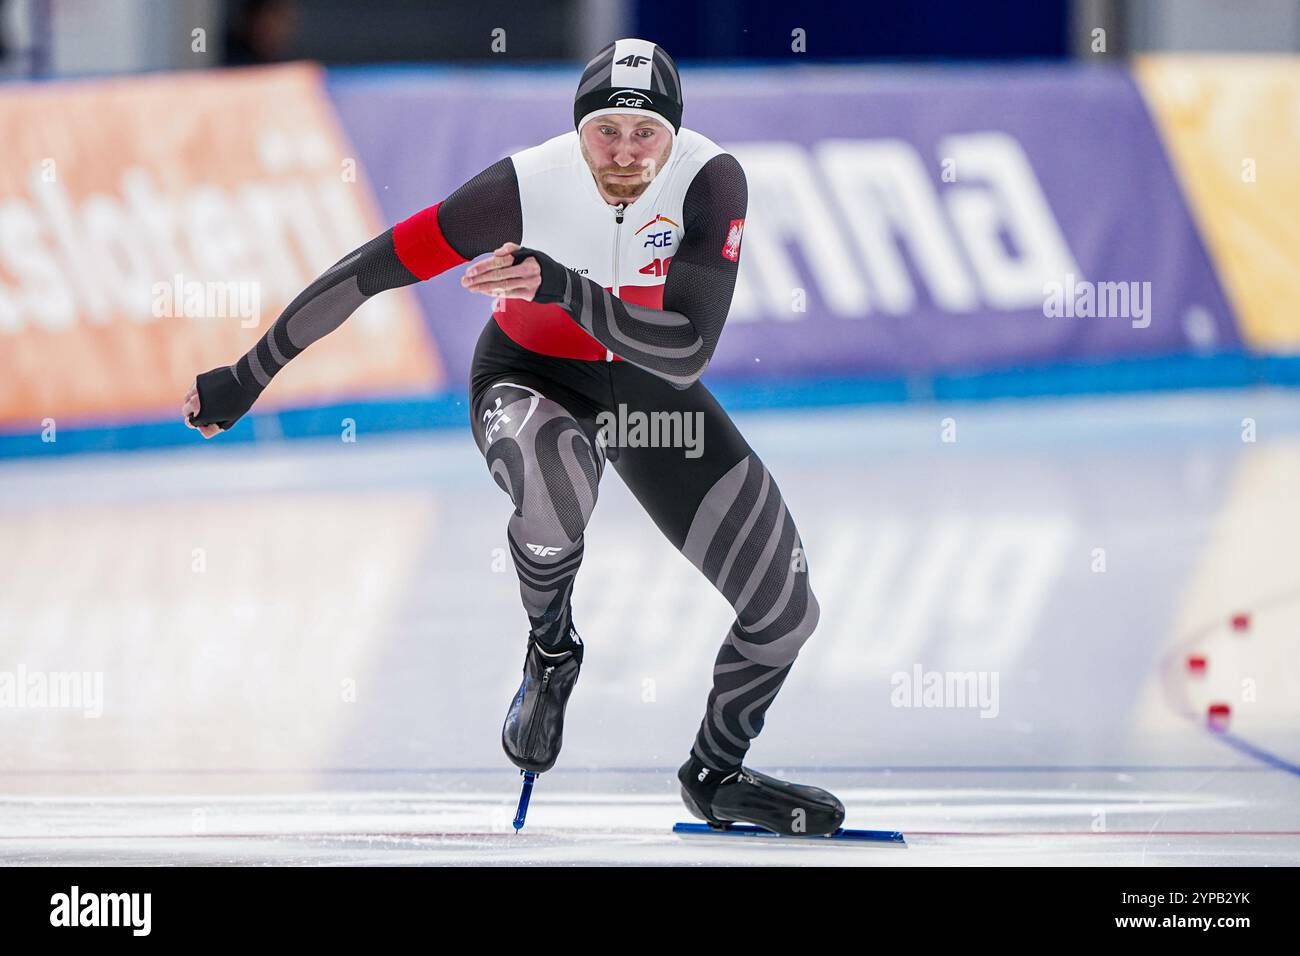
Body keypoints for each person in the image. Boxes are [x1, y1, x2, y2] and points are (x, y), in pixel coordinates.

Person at [183, 38, 844, 836]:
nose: (626, 154)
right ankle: (554, 652)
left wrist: (561, 283)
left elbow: (688, 348)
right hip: (531, 376)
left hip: (648, 393)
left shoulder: (711, 180)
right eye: (607, 132)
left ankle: (716, 773)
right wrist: (249, 374)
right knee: (558, 482)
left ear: (673, 137)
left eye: (646, 136)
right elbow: (372, 269)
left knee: (784, 609)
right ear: (577, 130)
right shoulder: (524, 185)